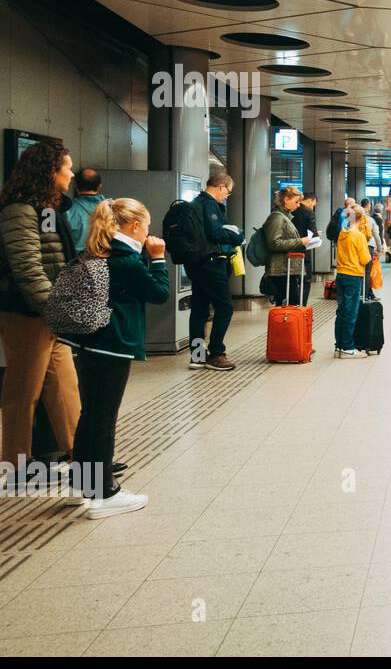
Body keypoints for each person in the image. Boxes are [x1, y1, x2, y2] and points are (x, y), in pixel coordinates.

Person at [66, 198, 168, 518]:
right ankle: (103, 493)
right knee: (104, 417)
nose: (148, 233)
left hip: (88, 343)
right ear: (135, 226)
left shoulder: (99, 249)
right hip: (112, 343)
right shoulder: (125, 259)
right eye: (147, 227)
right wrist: (159, 258)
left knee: (91, 414)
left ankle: (82, 485)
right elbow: (158, 293)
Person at [0, 139, 81, 488]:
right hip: (28, 314)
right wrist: (52, 308)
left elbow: (56, 259)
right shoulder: (19, 209)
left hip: (50, 312)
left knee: (65, 385)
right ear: (50, 172)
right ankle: (15, 466)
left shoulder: (48, 208)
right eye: (67, 167)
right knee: (23, 389)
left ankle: (85, 456)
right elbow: (27, 267)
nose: (72, 172)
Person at [187, 173, 243, 372]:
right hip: (212, 263)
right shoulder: (209, 205)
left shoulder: (194, 203)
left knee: (200, 309)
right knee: (225, 307)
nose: (227, 196)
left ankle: (197, 356)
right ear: (220, 187)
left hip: (195, 263)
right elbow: (216, 232)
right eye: (228, 192)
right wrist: (236, 233)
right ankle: (216, 353)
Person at [261, 186, 310, 306]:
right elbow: (274, 243)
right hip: (281, 271)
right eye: (296, 202)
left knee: (289, 305)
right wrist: (300, 241)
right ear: (286, 199)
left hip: (286, 269)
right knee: (289, 305)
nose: (298, 205)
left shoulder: (285, 217)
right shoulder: (277, 217)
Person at [332, 205, 370, 358]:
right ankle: (348, 347)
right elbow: (365, 258)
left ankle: (339, 345)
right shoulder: (358, 236)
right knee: (350, 313)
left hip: (341, 274)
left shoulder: (343, 233)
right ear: (361, 219)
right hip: (353, 275)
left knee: (341, 311)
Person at [64, 167, 105, 254]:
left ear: (76, 188)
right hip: (105, 263)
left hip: (75, 264)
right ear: (99, 187)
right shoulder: (111, 209)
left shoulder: (67, 212)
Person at [291, 192, 319, 303]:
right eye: (313, 204)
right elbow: (313, 234)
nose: (312, 207)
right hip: (302, 251)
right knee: (305, 280)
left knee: (291, 279)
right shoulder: (309, 213)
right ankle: (301, 307)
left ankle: (290, 306)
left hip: (287, 250)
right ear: (308, 201)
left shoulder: (288, 211)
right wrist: (316, 235)